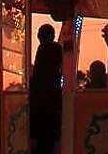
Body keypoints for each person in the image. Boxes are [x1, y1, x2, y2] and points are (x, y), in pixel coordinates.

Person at [26, 23, 64, 154]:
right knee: (49, 142)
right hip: (52, 101)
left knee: (41, 142)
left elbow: (38, 74)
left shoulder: (44, 49)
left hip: (42, 103)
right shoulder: (57, 49)